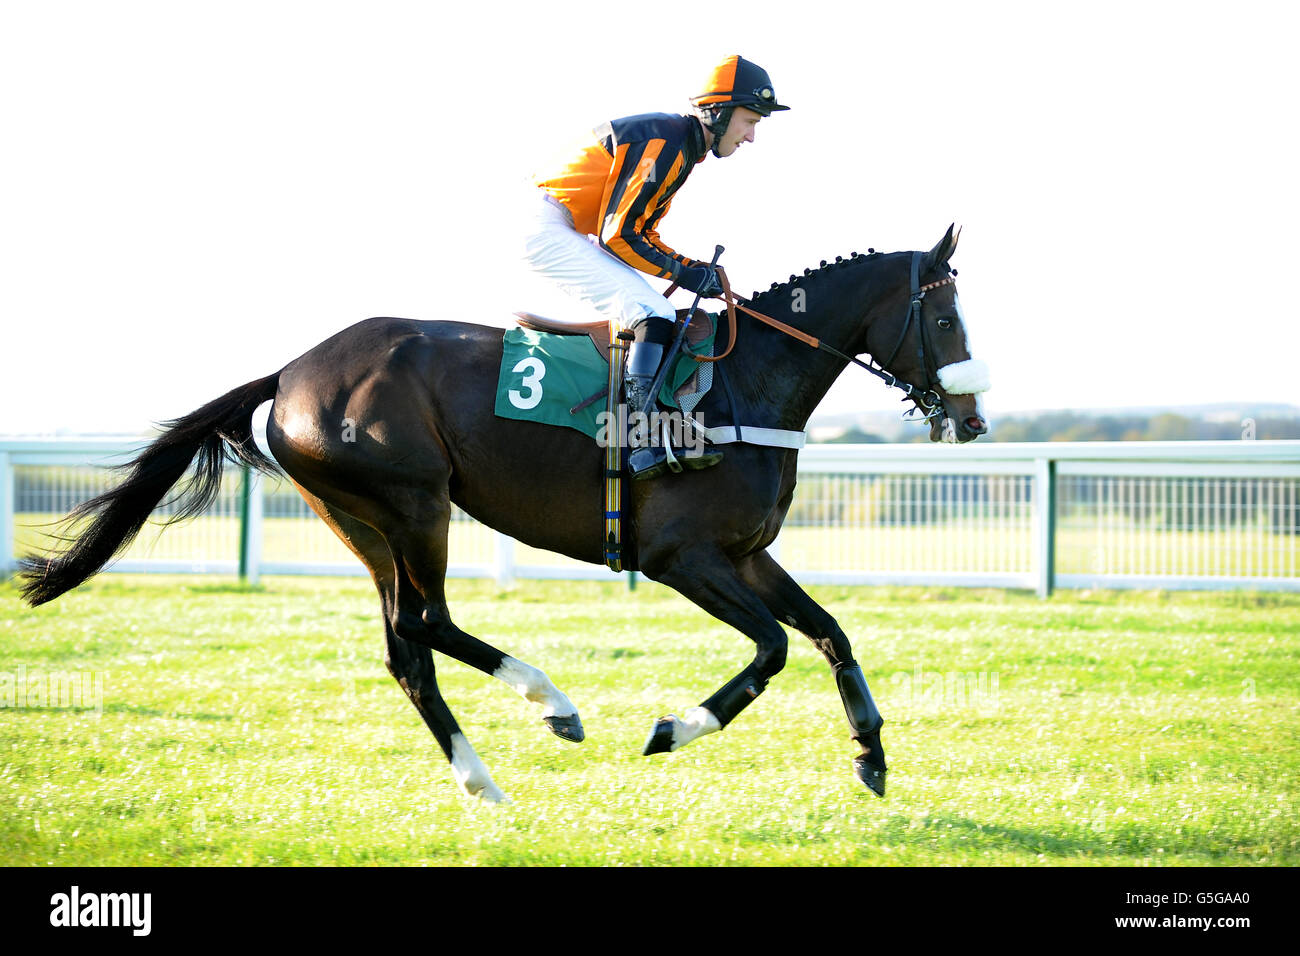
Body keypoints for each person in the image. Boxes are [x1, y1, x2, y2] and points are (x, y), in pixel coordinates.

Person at [524, 55, 789, 479]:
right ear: (718, 112)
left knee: (652, 310)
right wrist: (685, 273)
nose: (751, 136)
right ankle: (640, 442)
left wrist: (692, 268)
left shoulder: (680, 147)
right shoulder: (667, 141)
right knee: (653, 313)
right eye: (749, 120)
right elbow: (618, 236)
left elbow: (638, 234)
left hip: (565, 225)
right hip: (547, 225)